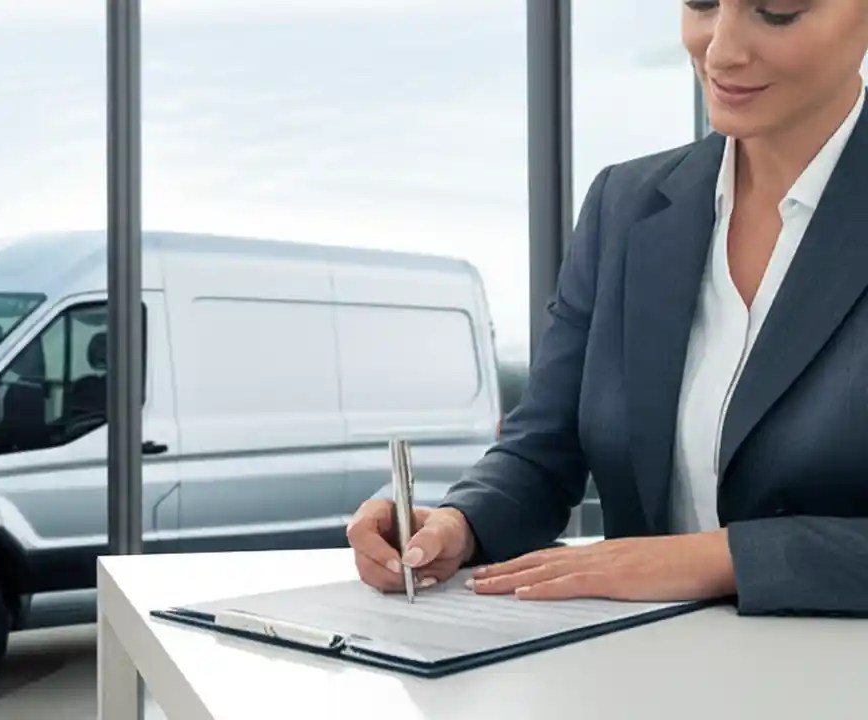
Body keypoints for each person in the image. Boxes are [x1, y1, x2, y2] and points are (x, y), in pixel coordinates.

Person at [347, 0, 868, 616]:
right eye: (701, 3)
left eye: (777, 12)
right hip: (633, 676)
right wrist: (460, 524)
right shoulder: (626, 204)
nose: (720, 49)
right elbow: (543, 446)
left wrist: (713, 559)